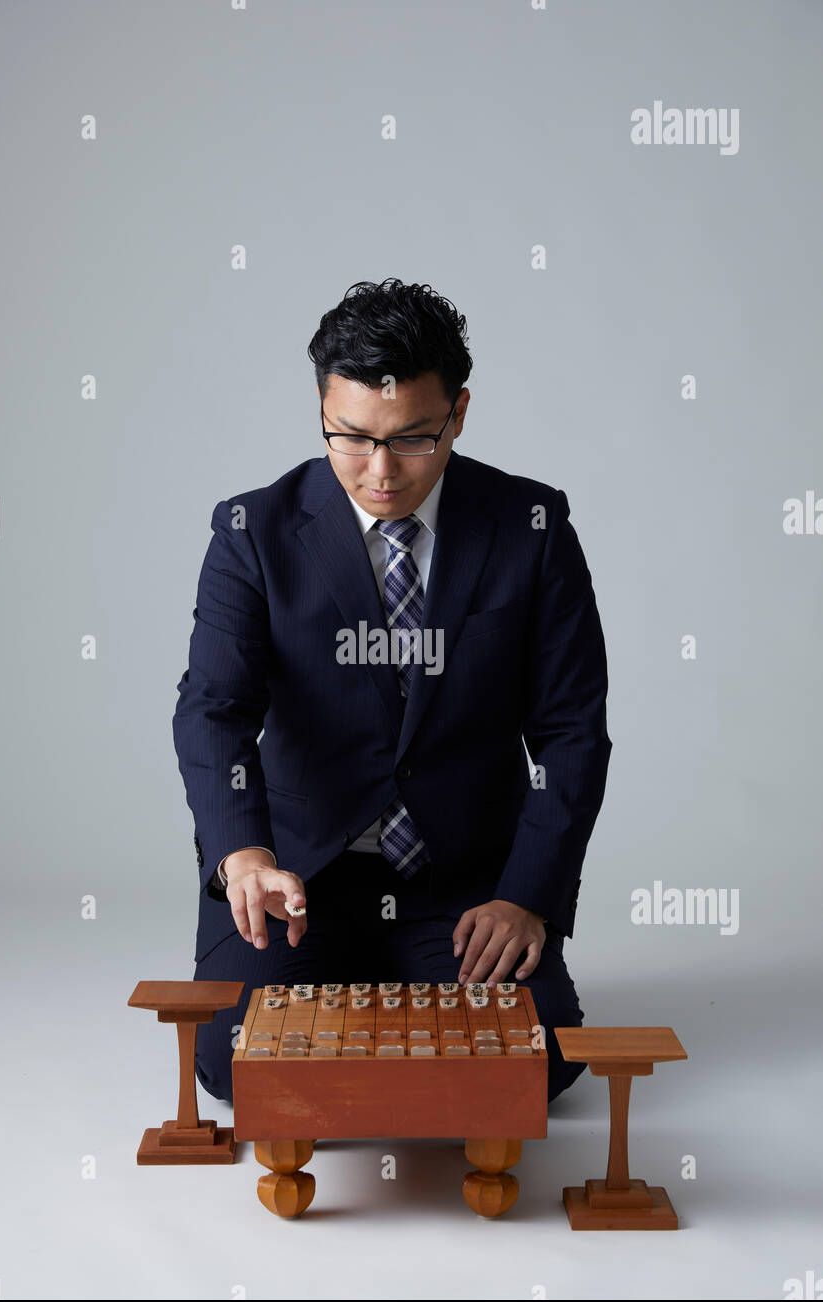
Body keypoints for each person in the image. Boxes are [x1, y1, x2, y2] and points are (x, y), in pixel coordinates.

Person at [172, 277, 611, 1104]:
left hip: (466, 883)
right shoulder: (251, 533)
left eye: (413, 439)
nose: (380, 472)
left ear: (459, 412)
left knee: (542, 1056)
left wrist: (527, 896)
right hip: (300, 876)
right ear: (321, 408)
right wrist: (246, 856)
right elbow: (213, 710)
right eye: (351, 438)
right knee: (237, 1061)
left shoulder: (532, 529)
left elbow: (572, 731)